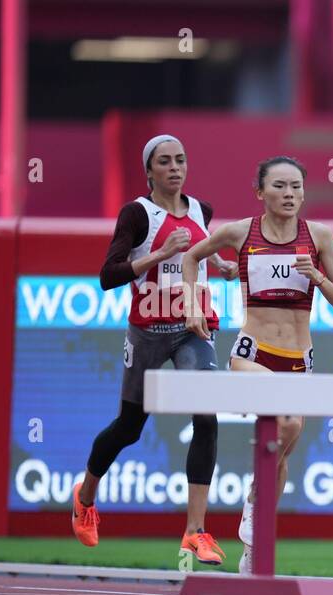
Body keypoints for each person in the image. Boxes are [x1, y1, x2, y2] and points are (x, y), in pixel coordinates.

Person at [71, 135, 238, 564]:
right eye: (164, 162)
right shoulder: (137, 215)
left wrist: (219, 266)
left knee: (206, 415)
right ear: (149, 171)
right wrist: (158, 255)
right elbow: (108, 275)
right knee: (129, 427)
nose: (175, 168)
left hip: (192, 327)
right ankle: (85, 496)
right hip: (147, 331)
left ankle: (195, 532)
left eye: (180, 160)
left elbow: (199, 253)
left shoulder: (202, 210)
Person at [182, 156, 333, 574]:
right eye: (279, 186)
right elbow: (191, 258)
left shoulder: (320, 236)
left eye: (296, 186)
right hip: (252, 352)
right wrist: (192, 306)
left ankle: (256, 539)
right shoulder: (240, 232)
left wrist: (317, 277)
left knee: (283, 450)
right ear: (260, 192)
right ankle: (255, 504)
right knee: (290, 423)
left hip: (298, 356)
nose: (289, 194)